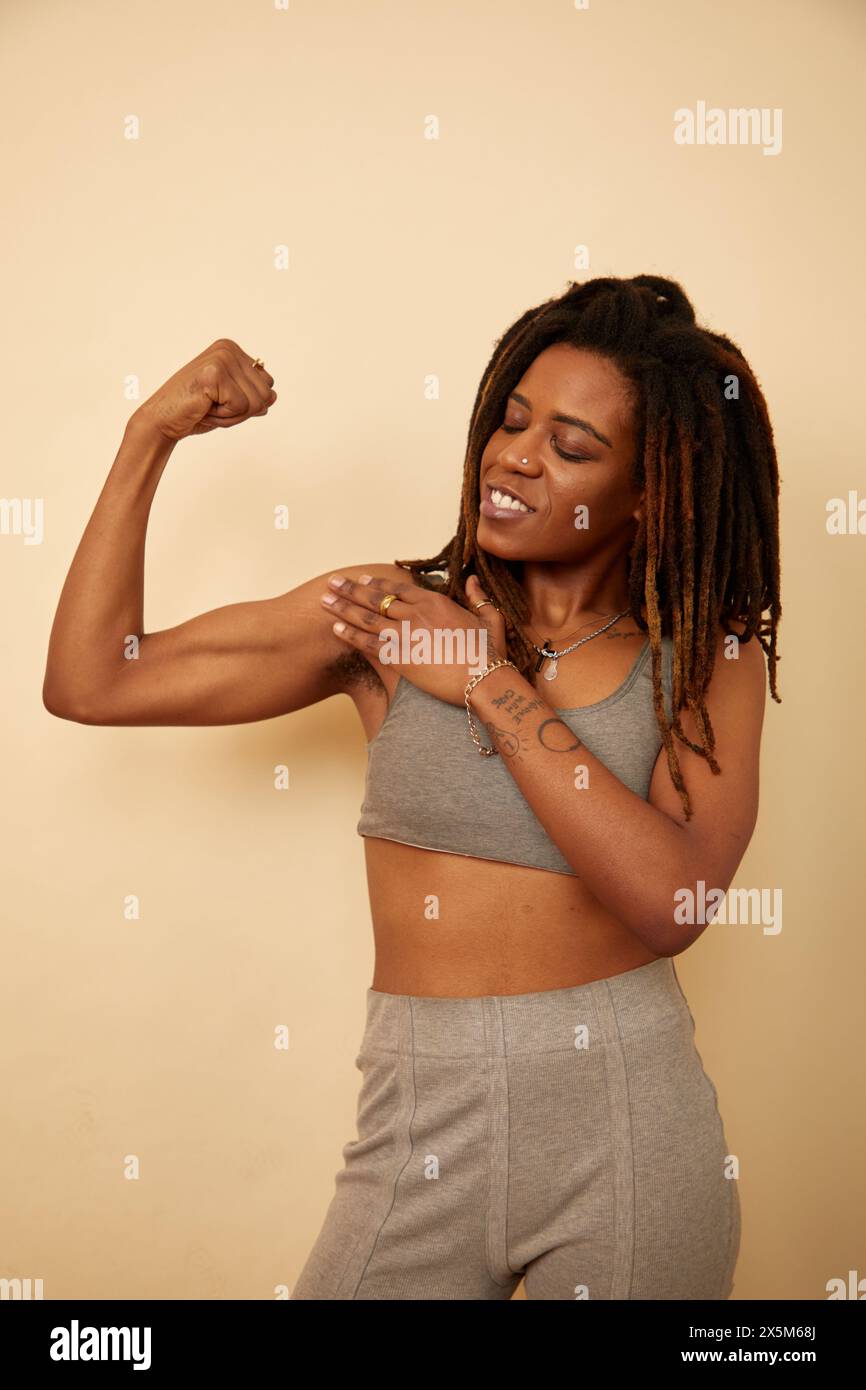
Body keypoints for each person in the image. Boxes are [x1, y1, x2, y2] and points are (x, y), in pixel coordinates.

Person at [43, 273, 780, 1300]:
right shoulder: (386, 617)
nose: (516, 456)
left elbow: (674, 901)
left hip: (626, 1116)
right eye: (512, 420)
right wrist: (145, 438)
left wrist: (484, 680)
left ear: (647, 489)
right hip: (417, 1116)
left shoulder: (706, 653)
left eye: (570, 446)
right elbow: (94, 681)